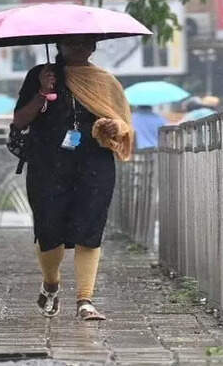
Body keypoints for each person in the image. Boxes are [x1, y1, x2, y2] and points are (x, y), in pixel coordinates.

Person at [13, 35, 134, 321]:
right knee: (49, 229)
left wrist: (113, 127)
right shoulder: (41, 75)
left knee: (90, 227)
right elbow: (20, 121)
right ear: (59, 46)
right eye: (71, 43)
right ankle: (51, 283)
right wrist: (42, 92)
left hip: (94, 162)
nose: (78, 48)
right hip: (48, 163)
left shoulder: (104, 81)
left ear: (93, 47)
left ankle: (85, 300)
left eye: (85, 43)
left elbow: (123, 121)